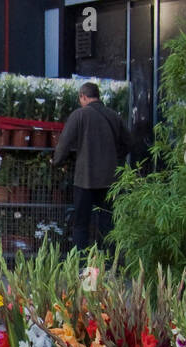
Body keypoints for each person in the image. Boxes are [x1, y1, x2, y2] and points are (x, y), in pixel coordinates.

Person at [52, 81, 131, 252]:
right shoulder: (113, 115)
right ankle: (111, 265)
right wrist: (116, 159)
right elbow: (128, 143)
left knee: (81, 224)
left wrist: (56, 161)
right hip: (111, 179)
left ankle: (81, 264)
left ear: (83, 96)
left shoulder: (79, 115)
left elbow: (64, 144)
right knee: (109, 224)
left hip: (85, 179)